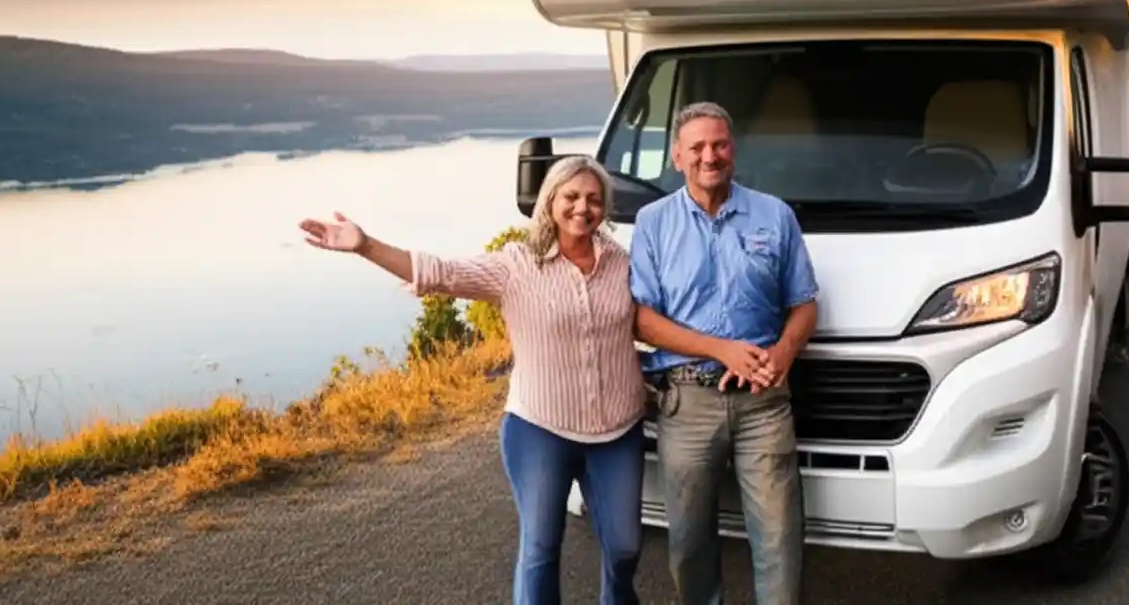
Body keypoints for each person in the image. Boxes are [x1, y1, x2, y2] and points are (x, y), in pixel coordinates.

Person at [298, 155, 646, 605]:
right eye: (572, 196)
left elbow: (657, 316)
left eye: (594, 199)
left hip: (617, 429)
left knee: (624, 547)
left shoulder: (622, 263)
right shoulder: (517, 265)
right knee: (541, 548)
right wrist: (366, 246)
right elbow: (441, 273)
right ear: (550, 202)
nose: (583, 207)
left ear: (605, 207)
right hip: (541, 427)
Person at [629, 101, 819, 605]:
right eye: (697, 147)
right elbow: (643, 320)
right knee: (689, 542)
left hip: (763, 400)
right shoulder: (652, 223)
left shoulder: (774, 215)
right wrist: (721, 350)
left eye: (719, 144)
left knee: (779, 537)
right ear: (676, 157)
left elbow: (804, 305)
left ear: (733, 150)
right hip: (686, 402)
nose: (709, 156)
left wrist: (783, 353)